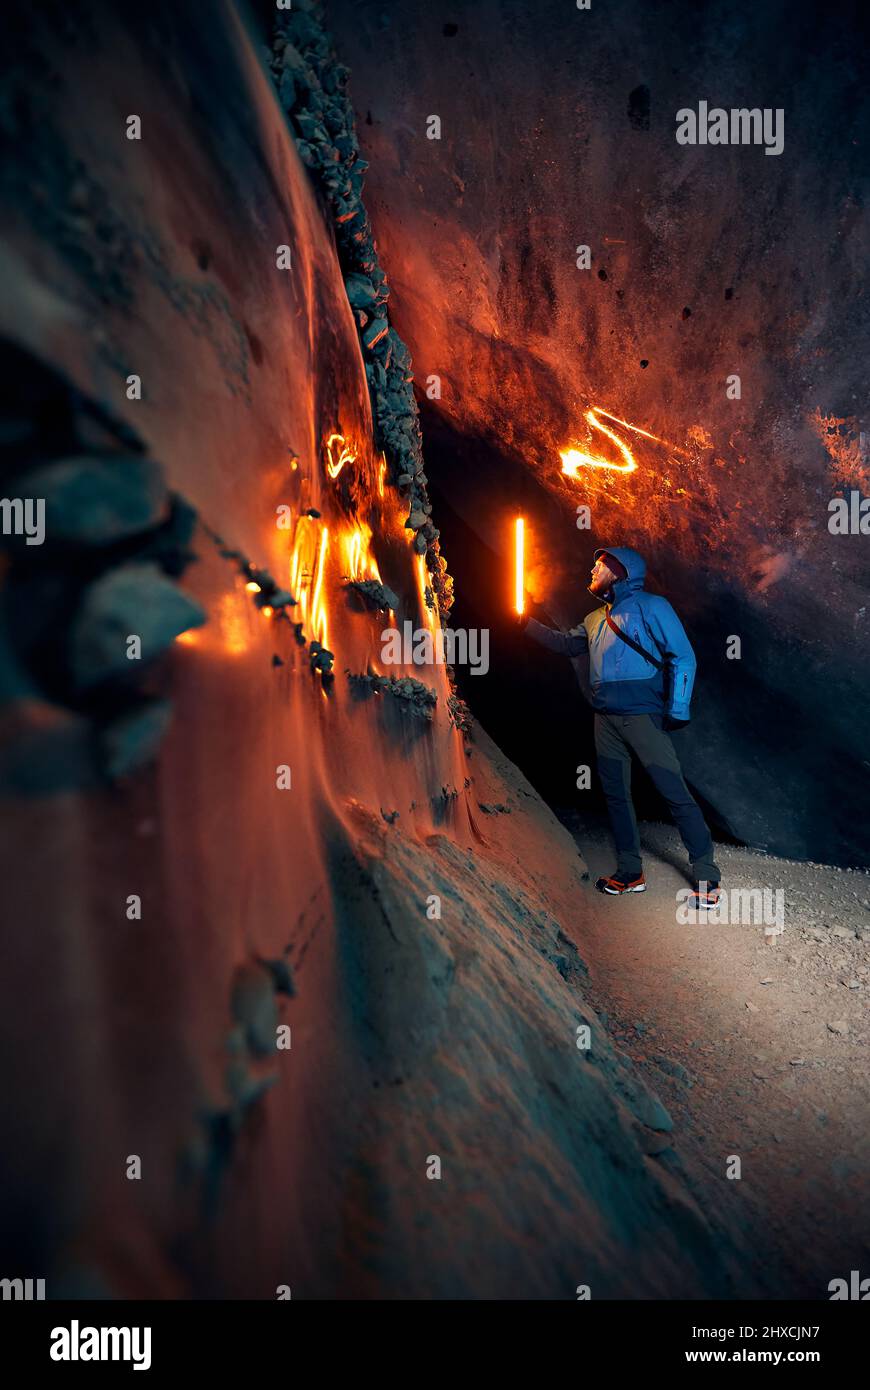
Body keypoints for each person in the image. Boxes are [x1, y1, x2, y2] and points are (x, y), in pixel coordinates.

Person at [517, 546, 720, 906]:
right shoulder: (595, 618)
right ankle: (631, 872)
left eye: (599, 567)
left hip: (643, 716)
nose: (591, 572)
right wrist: (525, 623)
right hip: (605, 720)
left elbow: (683, 655)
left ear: (621, 571)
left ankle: (706, 875)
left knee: (673, 792)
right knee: (616, 796)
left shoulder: (653, 607)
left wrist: (677, 707)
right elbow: (566, 645)